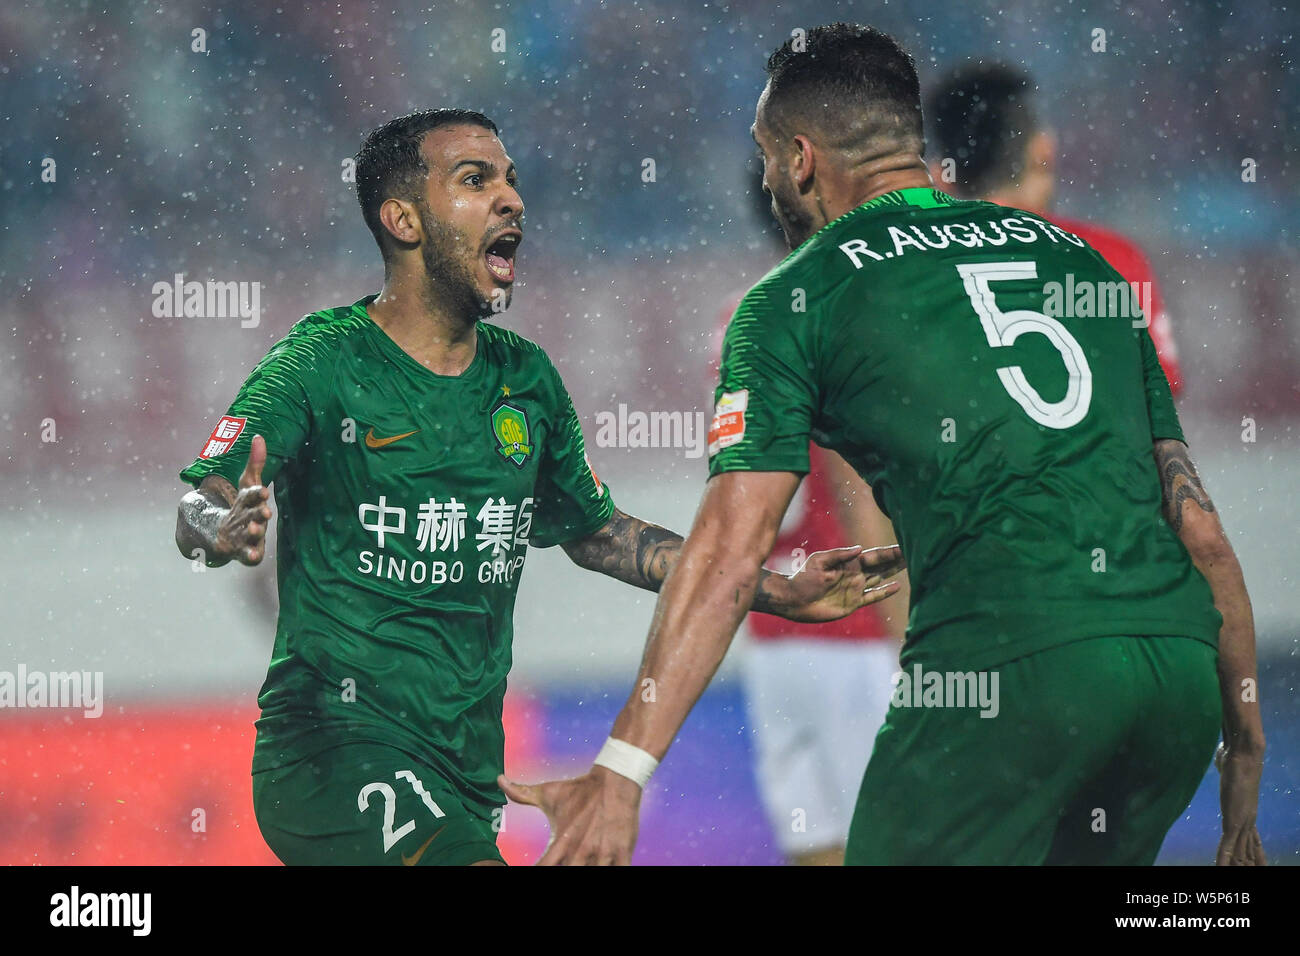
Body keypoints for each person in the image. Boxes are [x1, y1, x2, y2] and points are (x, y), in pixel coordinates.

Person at [502, 24, 1266, 866]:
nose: (766, 181)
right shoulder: (1079, 260)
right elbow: (1199, 525)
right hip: (1175, 674)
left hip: (1007, 670)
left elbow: (728, 546)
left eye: (764, 157)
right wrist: (1245, 746)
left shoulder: (795, 296)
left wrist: (621, 767)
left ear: (798, 159)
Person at [173, 108, 905, 867]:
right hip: (331, 752)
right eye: (475, 179)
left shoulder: (524, 380)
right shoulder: (319, 363)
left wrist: (776, 588)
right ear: (403, 220)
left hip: (464, 770)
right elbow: (204, 496)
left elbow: (600, 535)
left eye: (512, 180)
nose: (512, 199)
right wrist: (219, 525)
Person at [715, 173, 909, 866]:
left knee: (815, 849)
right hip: (854, 631)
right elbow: (858, 492)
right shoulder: (841, 310)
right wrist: (912, 643)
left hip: (775, 639)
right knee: (886, 847)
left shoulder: (744, 316)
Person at [926, 62, 1183, 393]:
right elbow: (1158, 399)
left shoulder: (909, 267)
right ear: (1043, 148)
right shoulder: (1111, 260)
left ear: (940, 171)